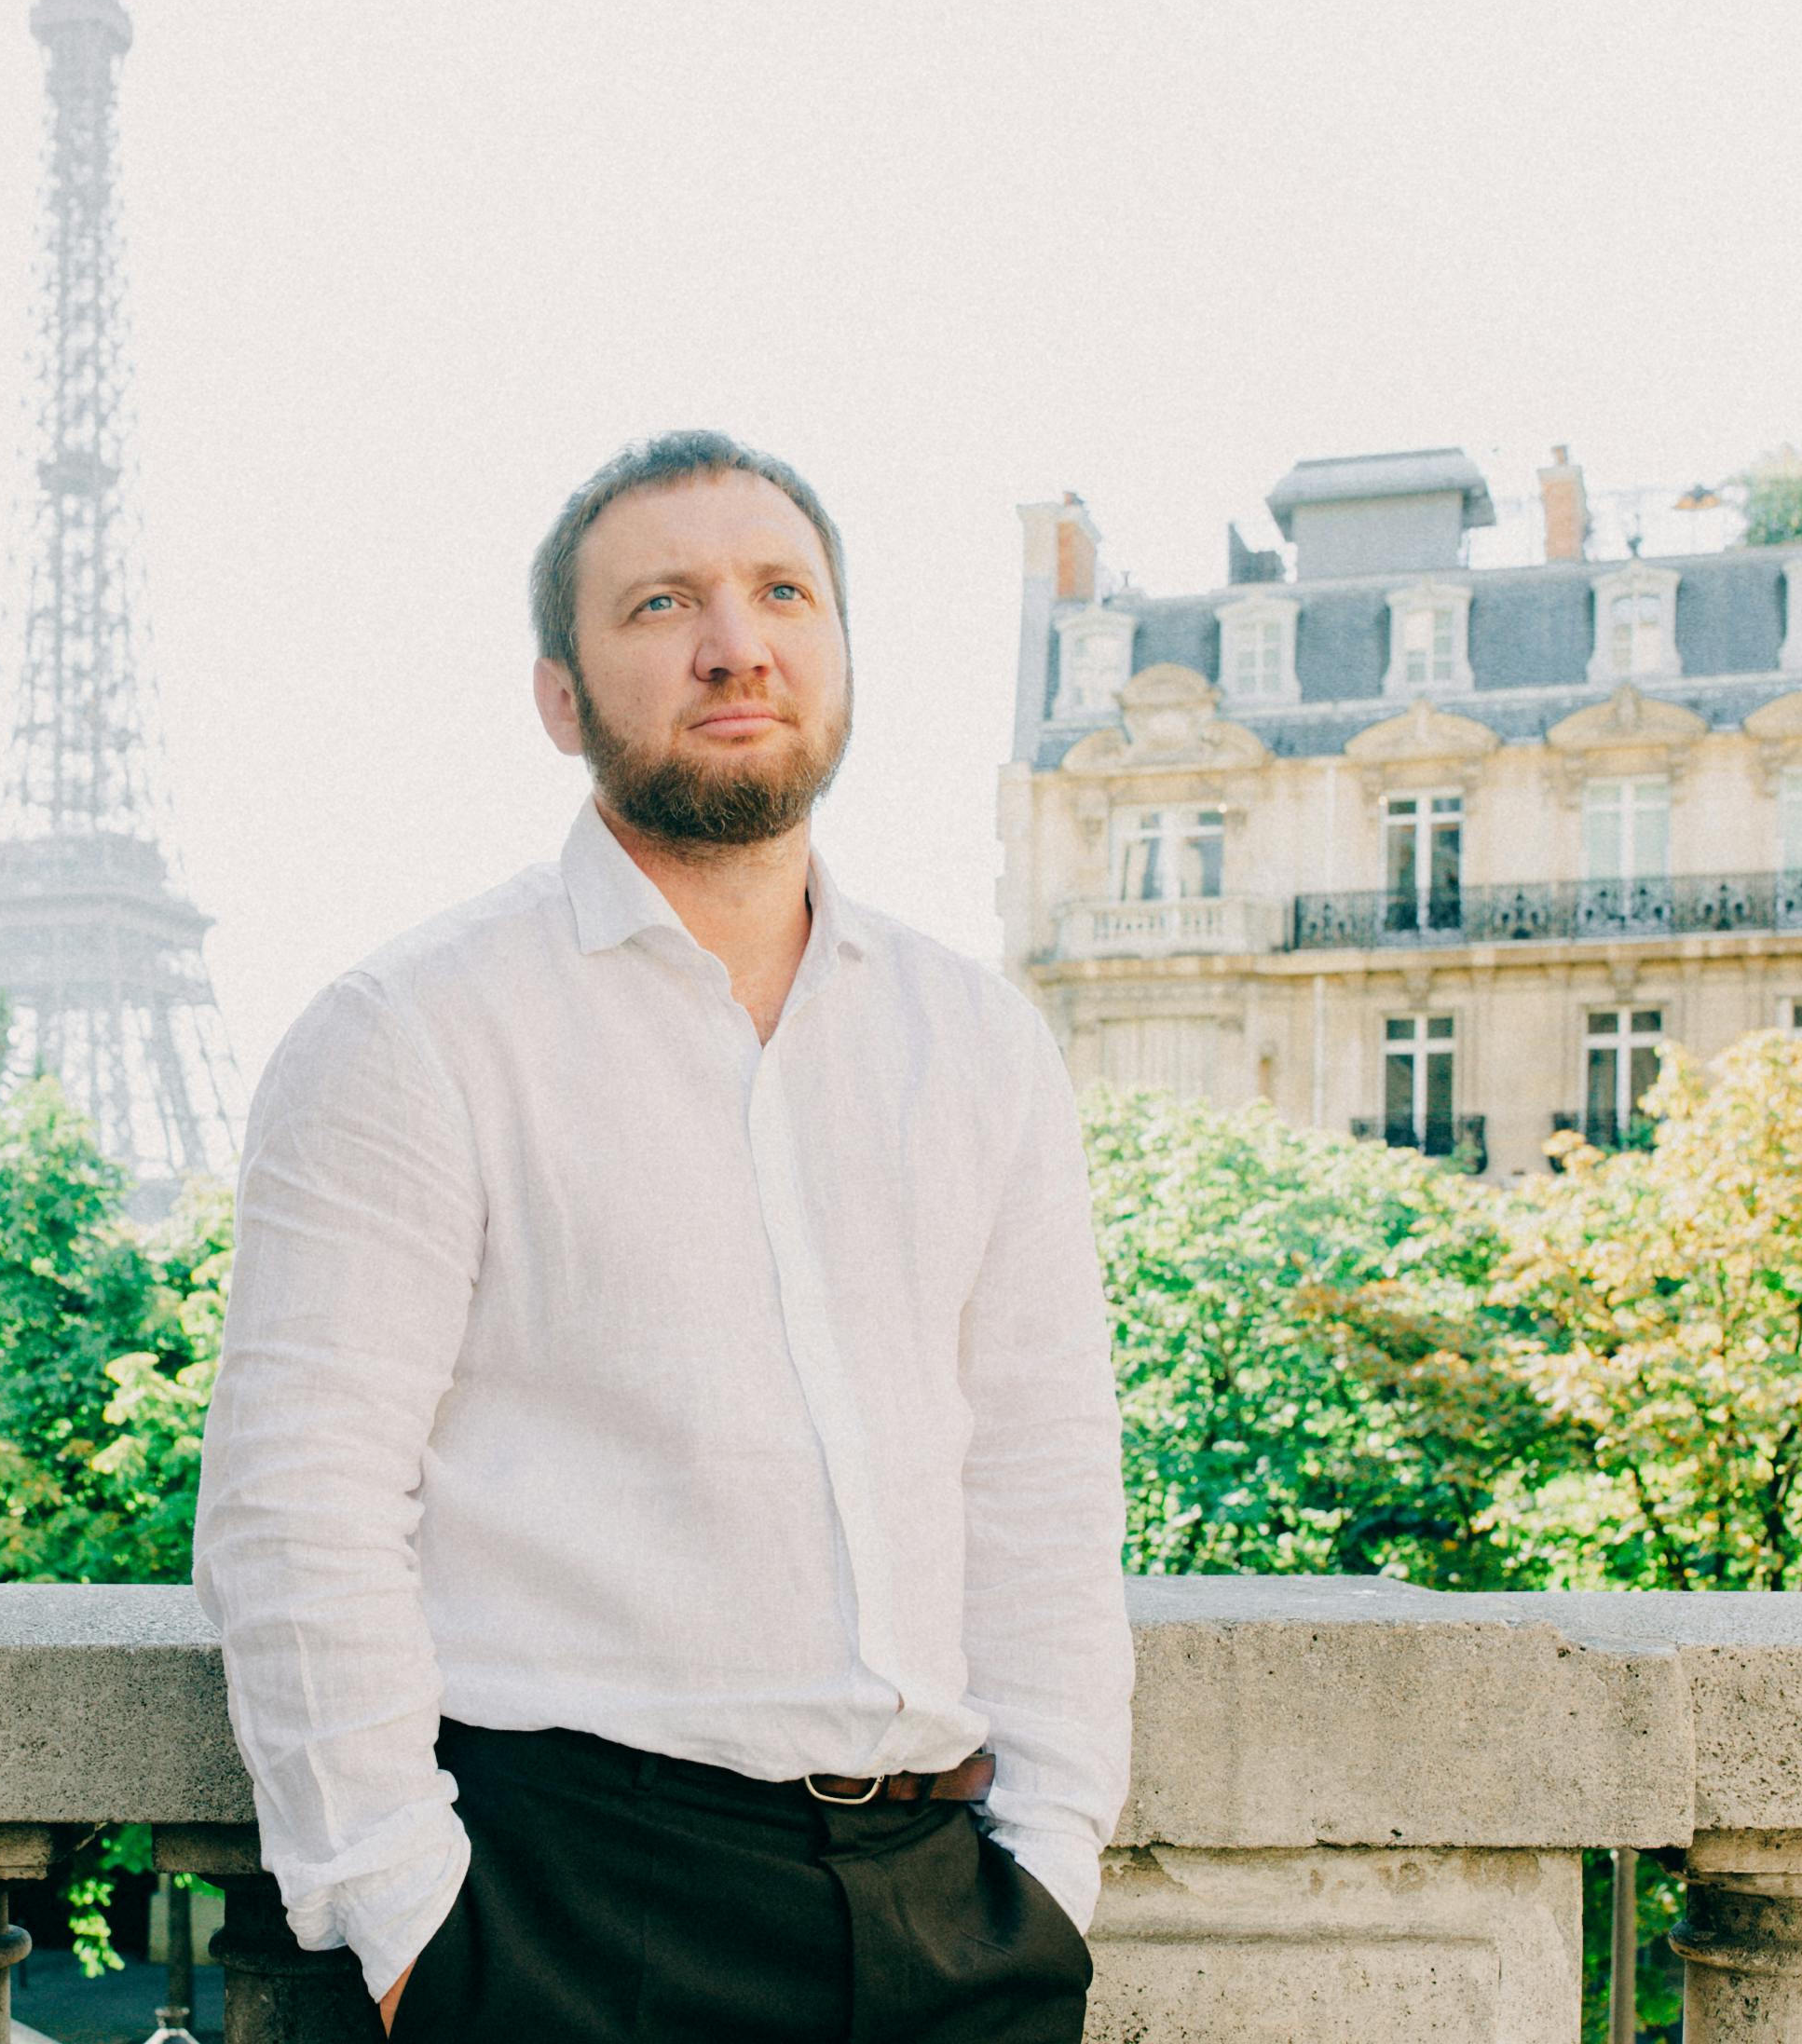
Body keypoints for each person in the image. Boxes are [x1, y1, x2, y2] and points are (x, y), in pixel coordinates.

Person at [191, 430, 1131, 2042]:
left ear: (838, 650)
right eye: (661, 604)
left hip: (943, 1922)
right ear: (560, 695)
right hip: (570, 1920)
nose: (736, 641)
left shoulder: (976, 1041)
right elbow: (299, 1506)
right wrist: (420, 1928)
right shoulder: (412, 1032)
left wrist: (1045, 1866)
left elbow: (1042, 1479)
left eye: (784, 591)